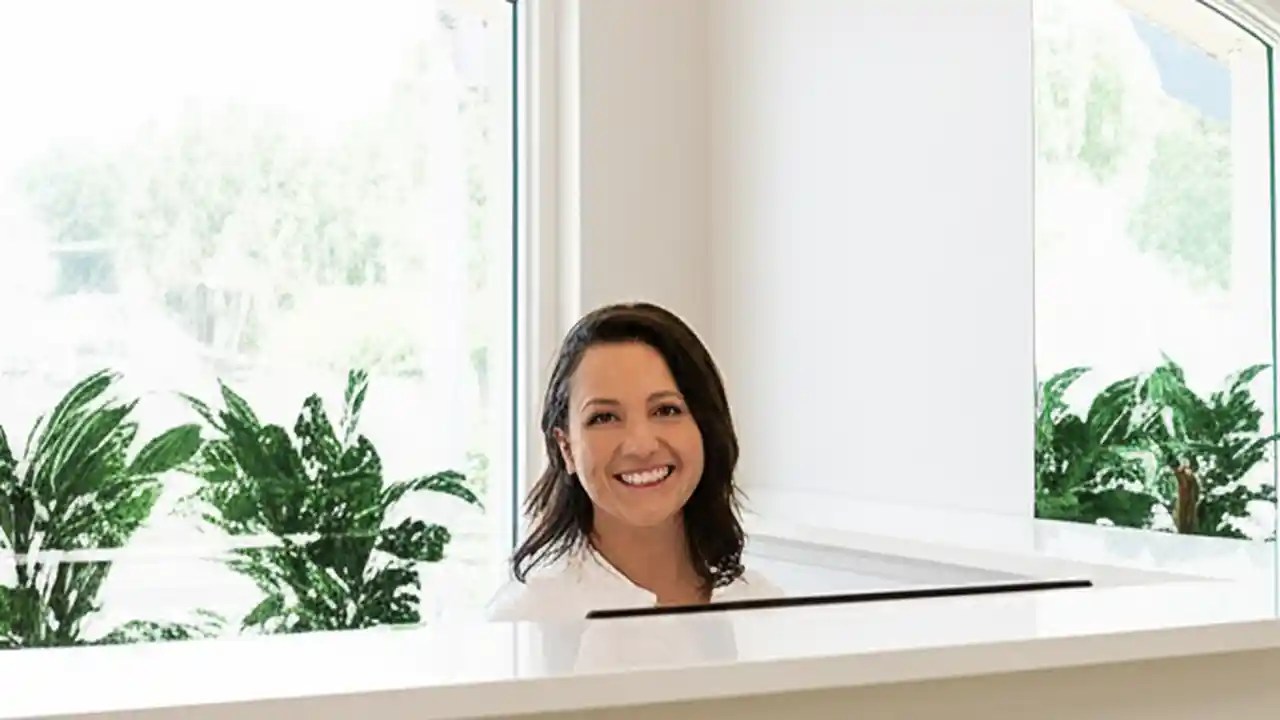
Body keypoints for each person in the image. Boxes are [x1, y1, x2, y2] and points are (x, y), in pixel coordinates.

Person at [486, 301, 782, 622]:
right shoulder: (525, 619)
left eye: (666, 410)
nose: (641, 446)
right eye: (604, 417)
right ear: (566, 448)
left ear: (706, 429)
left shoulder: (766, 609)